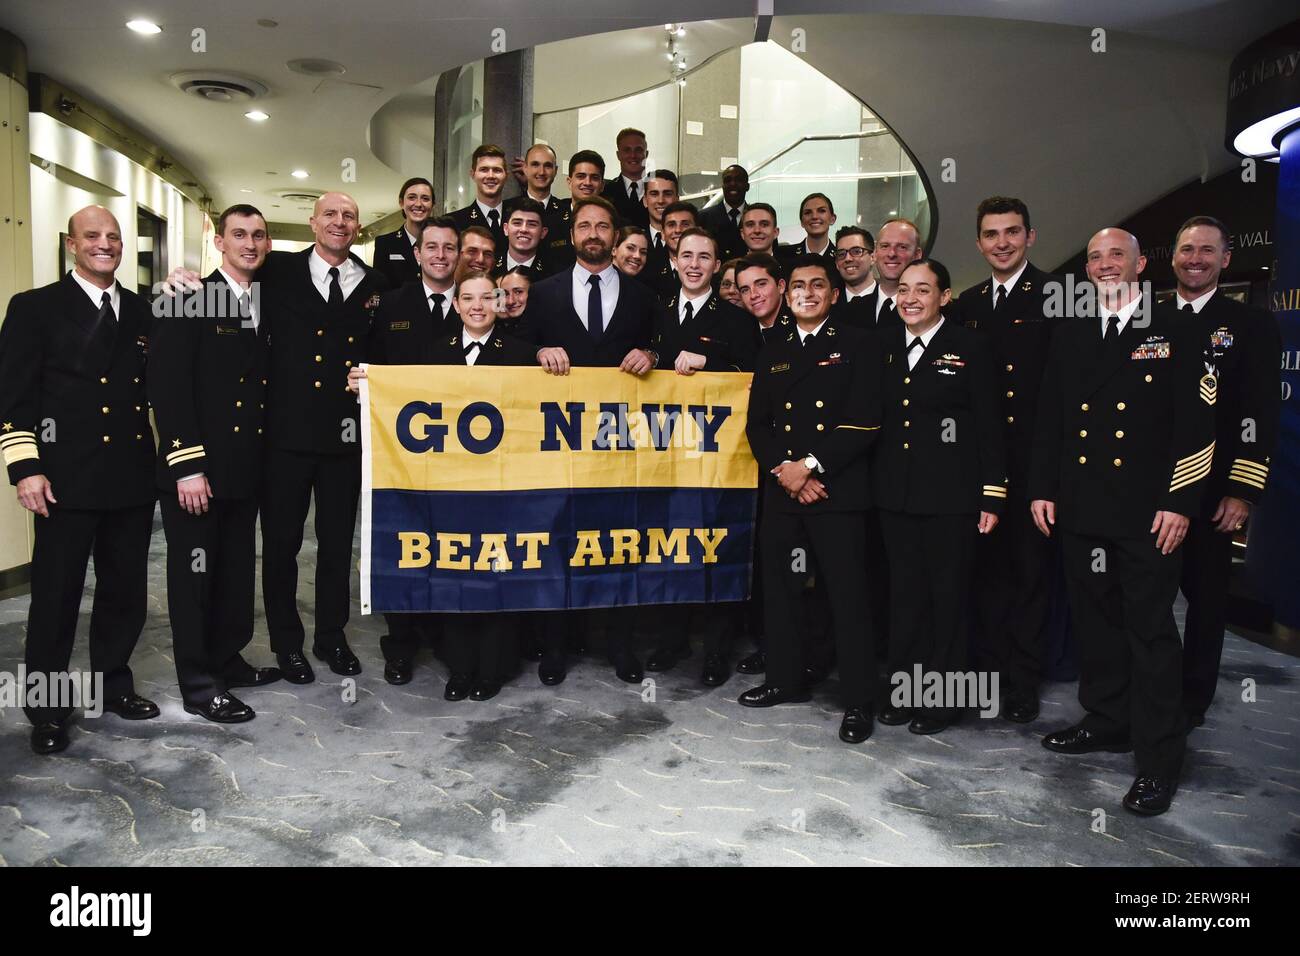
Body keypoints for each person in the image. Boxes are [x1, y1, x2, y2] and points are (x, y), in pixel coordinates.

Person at [1030, 228, 1214, 817]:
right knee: (1097, 621)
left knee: (1151, 631)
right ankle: (1107, 718)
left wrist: (1182, 501)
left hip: (1148, 512)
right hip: (1084, 506)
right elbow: (1052, 419)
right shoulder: (1072, 332)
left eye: (1117, 255)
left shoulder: (1178, 328)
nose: (1105, 264)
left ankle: (1159, 758)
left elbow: (1198, 425)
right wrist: (1043, 489)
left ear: (1139, 265)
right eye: (1095, 257)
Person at [0, 205, 160, 754]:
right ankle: (46, 709)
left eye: (113, 238)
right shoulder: (35, 308)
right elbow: (13, 398)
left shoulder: (142, 312)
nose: (105, 245)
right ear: (72, 244)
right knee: (55, 596)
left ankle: (112, 685)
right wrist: (25, 468)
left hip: (131, 478)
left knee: (123, 593)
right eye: (93, 236)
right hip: (63, 479)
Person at [740, 256, 883, 745]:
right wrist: (787, 471)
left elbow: (864, 420)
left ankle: (860, 700)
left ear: (834, 293)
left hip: (837, 491)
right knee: (781, 590)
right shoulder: (773, 347)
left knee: (847, 597)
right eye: (798, 285)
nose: (806, 292)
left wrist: (812, 467)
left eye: (817, 285)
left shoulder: (858, 342)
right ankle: (784, 678)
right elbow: (757, 425)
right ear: (787, 291)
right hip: (785, 491)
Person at [150, 204, 283, 724]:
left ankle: (227, 659)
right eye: (240, 235)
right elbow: (168, 386)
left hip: (244, 469)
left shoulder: (265, 301)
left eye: (259, 235)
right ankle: (199, 684)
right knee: (194, 578)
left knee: (231, 573)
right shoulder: (187, 298)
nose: (250, 244)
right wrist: (186, 464)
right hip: (198, 469)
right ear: (220, 243)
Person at [523, 195, 662, 686]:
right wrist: (539, 349)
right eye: (585, 225)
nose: (594, 234)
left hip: (621, 448)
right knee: (559, 546)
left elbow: (658, 347)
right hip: (559, 447)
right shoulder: (543, 292)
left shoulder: (643, 296)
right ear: (572, 233)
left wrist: (650, 353)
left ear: (616, 235)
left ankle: (620, 645)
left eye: (603, 226)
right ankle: (556, 647)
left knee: (619, 545)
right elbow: (519, 349)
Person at [258, 192, 389, 683]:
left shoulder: (376, 283)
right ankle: (287, 643)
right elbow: (225, 287)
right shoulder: (278, 271)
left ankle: (331, 636)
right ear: (313, 222)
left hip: (344, 437)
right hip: (286, 433)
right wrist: (179, 285)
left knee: (336, 544)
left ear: (359, 226)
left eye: (349, 216)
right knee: (282, 544)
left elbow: (386, 350)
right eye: (330, 214)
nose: (340, 222)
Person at [874, 258, 1006, 736]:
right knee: (905, 598)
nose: (909, 298)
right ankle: (905, 690)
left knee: (947, 600)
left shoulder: (970, 347)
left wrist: (992, 496)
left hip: (953, 498)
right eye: (903, 289)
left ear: (945, 297)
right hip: (896, 496)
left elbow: (992, 427)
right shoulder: (884, 344)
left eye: (922, 290)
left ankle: (943, 699)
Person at [954, 196, 1067, 723]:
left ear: (1030, 237)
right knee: (982, 573)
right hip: (975, 466)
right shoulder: (966, 305)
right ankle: (985, 673)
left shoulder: (1059, 296)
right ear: (979, 242)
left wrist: (1048, 476)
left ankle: (1021, 682)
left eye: (1012, 232)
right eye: (992, 234)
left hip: (1030, 467)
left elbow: (1067, 394)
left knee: (1029, 576)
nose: (1002, 243)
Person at [1166, 216, 1281, 729]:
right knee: (1144, 597)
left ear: (1225, 259)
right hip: (1150, 490)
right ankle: (1148, 685)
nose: (1196, 258)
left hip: (1213, 493)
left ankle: (1192, 700)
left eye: (1207, 251)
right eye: (1187, 249)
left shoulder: (1252, 325)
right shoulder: (1147, 319)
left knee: (1206, 601)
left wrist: (1241, 489)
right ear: (1173, 256)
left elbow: (1260, 413)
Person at [349, 216, 461, 683]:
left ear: (459, 255)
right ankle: (400, 643)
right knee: (402, 545)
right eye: (430, 247)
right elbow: (366, 362)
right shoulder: (388, 304)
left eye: (448, 248)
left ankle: (445, 634)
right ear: (417, 254)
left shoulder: (477, 304)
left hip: (461, 453)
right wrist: (359, 378)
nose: (439, 255)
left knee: (451, 545)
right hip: (401, 453)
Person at [645, 228, 759, 685]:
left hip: (716, 458)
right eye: (686, 255)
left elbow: (754, 376)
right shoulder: (655, 311)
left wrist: (711, 367)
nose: (694, 264)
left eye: (704, 257)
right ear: (674, 260)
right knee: (668, 544)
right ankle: (671, 640)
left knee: (715, 545)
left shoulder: (735, 319)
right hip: (661, 454)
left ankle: (716, 650)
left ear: (717, 266)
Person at [427, 273, 538, 700]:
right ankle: (459, 668)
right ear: (455, 304)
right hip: (451, 485)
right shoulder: (435, 354)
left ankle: (492, 668)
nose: (477, 306)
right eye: (467, 298)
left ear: (499, 301)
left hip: (505, 486)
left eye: (485, 297)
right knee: (455, 571)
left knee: (499, 571)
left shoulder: (524, 355)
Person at [371, 177, 433, 287]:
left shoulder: (440, 244)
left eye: (425, 198)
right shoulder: (385, 243)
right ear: (401, 203)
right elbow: (379, 289)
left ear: (433, 204)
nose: (418, 204)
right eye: (412, 197)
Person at [450, 144, 509, 250]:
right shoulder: (454, 222)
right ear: (473, 174)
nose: (490, 176)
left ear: (506, 176)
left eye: (497, 170)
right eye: (484, 169)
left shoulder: (517, 219)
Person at [832, 226, 889, 327]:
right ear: (836, 263)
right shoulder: (828, 304)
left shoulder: (890, 302)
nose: (848, 259)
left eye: (856, 251)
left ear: (873, 257)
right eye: (841, 254)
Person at [872, 218, 924, 326]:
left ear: (917, 255)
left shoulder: (932, 312)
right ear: (875, 252)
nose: (891, 254)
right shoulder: (850, 310)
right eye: (885, 246)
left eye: (902, 247)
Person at [780, 193, 839, 283]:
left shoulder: (841, 258)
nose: (814, 216)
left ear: (832, 219)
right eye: (808, 213)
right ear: (802, 222)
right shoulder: (784, 256)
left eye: (821, 211)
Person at [649, 200, 699, 302]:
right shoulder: (648, 271)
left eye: (685, 224)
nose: (678, 230)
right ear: (662, 233)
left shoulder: (711, 270)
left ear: (698, 230)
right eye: (671, 225)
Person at [699, 164, 749, 261]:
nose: (733, 184)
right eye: (728, 180)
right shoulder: (703, 217)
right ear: (722, 186)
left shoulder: (758, 218)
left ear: (747, 186)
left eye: (738, 180)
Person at [493, 198, 552, 280]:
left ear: (543, 232)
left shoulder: (555, 273)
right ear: (505, 229)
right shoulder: (489, 267)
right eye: (517, 223)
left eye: (532, 224)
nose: (524, 230)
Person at [603, 127, 650, 227]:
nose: (633, 155)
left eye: (638, 150)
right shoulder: (605, 193)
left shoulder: (657, 191)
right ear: (618, 155)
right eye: (627, 150)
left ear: (646, 154)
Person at [643, 169, 680, 269]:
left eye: (667, 194)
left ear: (677, 199)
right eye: (654, 194)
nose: (661, 201)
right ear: (645, 200)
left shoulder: (688, 241)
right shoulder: (635, 240)